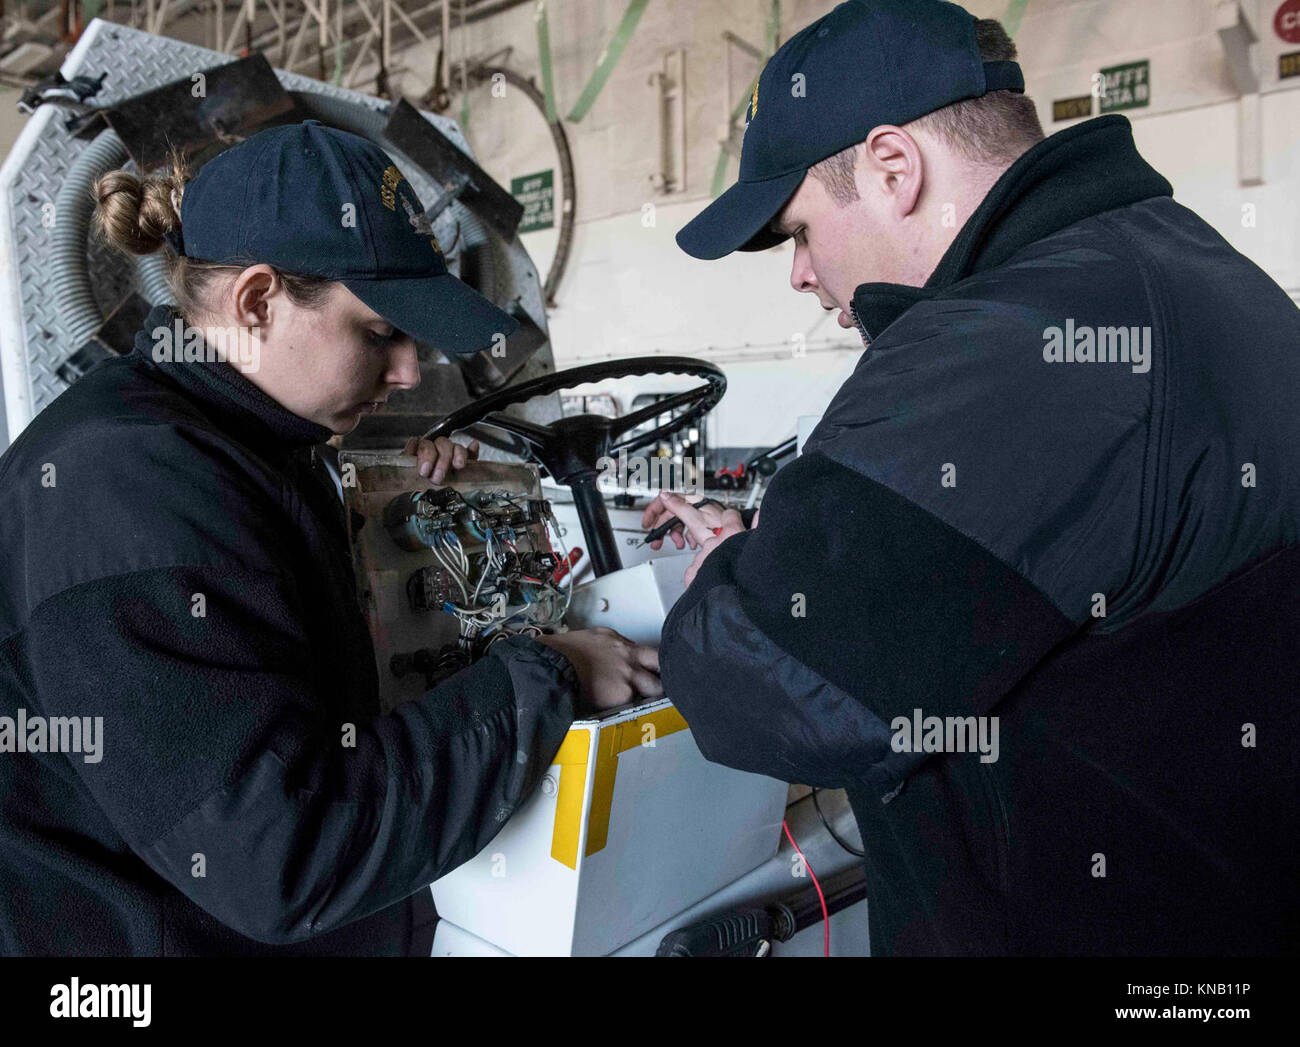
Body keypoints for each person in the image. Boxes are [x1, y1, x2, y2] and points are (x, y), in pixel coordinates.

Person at [645, 0, 1299, 955]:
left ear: (893, 168)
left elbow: (771, 683)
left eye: (796, 231)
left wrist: (719, 580)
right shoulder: (1193, 265)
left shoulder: (1007, 339)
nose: (799, 274)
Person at [0, 120, 660, 956]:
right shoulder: (126, 487)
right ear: (257, 302)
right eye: (380, 331)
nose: (411, 371)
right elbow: (284, 853)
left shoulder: (250, 447)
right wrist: (546, 677)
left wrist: (396, 525)